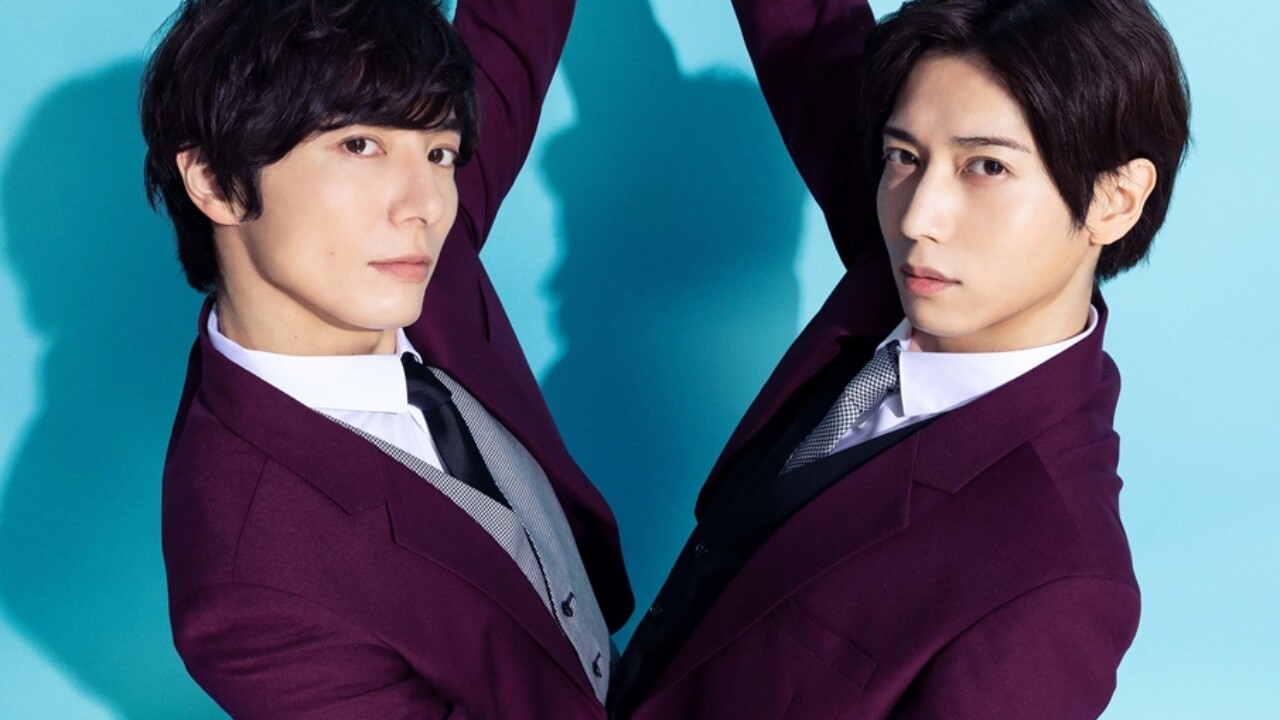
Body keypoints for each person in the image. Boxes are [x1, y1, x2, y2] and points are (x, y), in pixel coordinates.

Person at [611, 0, 1189, 718]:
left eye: (986, 166)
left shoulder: (1057, 582)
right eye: (904, 157)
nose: (917, 217)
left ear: (1115, 200)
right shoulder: (910, 275)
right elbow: (811, 35)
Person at [141, 0, 633, 717]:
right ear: (215, 180)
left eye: (440, 153)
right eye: (359, 145)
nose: (425, 206)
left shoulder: (398, 268)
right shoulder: (249, 591)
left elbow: (510, 34)